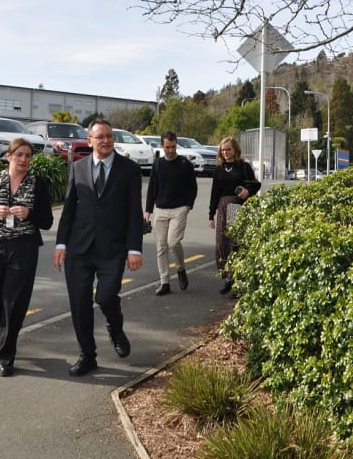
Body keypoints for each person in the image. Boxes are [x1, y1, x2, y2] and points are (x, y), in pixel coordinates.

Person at [53, 119, 143, 377]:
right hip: (78, 248)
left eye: (109, 136)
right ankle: (87, 355)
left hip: (112, 249)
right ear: (90, 141)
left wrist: (134, 249)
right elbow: (68, 208)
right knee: (79, 304)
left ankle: (115, 329)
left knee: (104, 297)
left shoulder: (129, 170)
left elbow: (134, 213)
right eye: (100, 137)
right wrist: (61, 244)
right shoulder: (78, 167)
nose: (105, 140)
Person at [0, 138, 53, 377]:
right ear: (8, 156)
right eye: (19, 154)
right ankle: (6, 333)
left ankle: (6, 356)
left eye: (28, 155)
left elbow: (47, 221)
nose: (24, 159)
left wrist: (29, 213)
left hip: (24, 248)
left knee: (14, 303)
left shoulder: (38, 183)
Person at [144, 130, 198, 296]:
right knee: (161, 246)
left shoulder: (185, 164)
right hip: (160, 209)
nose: (170, 150)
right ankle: (164, 281)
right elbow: (152, 186)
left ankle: (180, 269)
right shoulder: (158, 164)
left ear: (176, 144)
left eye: (173, 147)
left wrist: (188, 205)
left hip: (179, 209)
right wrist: (148, 209)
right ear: (162, 145)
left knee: (173, 242)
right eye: (167, 147)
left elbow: (193, 187)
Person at [208, 136, 261, 295]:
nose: (225, 152)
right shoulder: (218, 170)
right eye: (223, 150)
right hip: (223, 207)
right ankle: (227, 278)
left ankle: (236, 281)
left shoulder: (243, 167)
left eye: (228, 149)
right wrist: (211, 215)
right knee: (221, 244)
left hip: (236, 206)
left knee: (235, 244)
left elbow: (255, 184)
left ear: (235, 150)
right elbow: (214, 193)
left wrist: (248, 191)